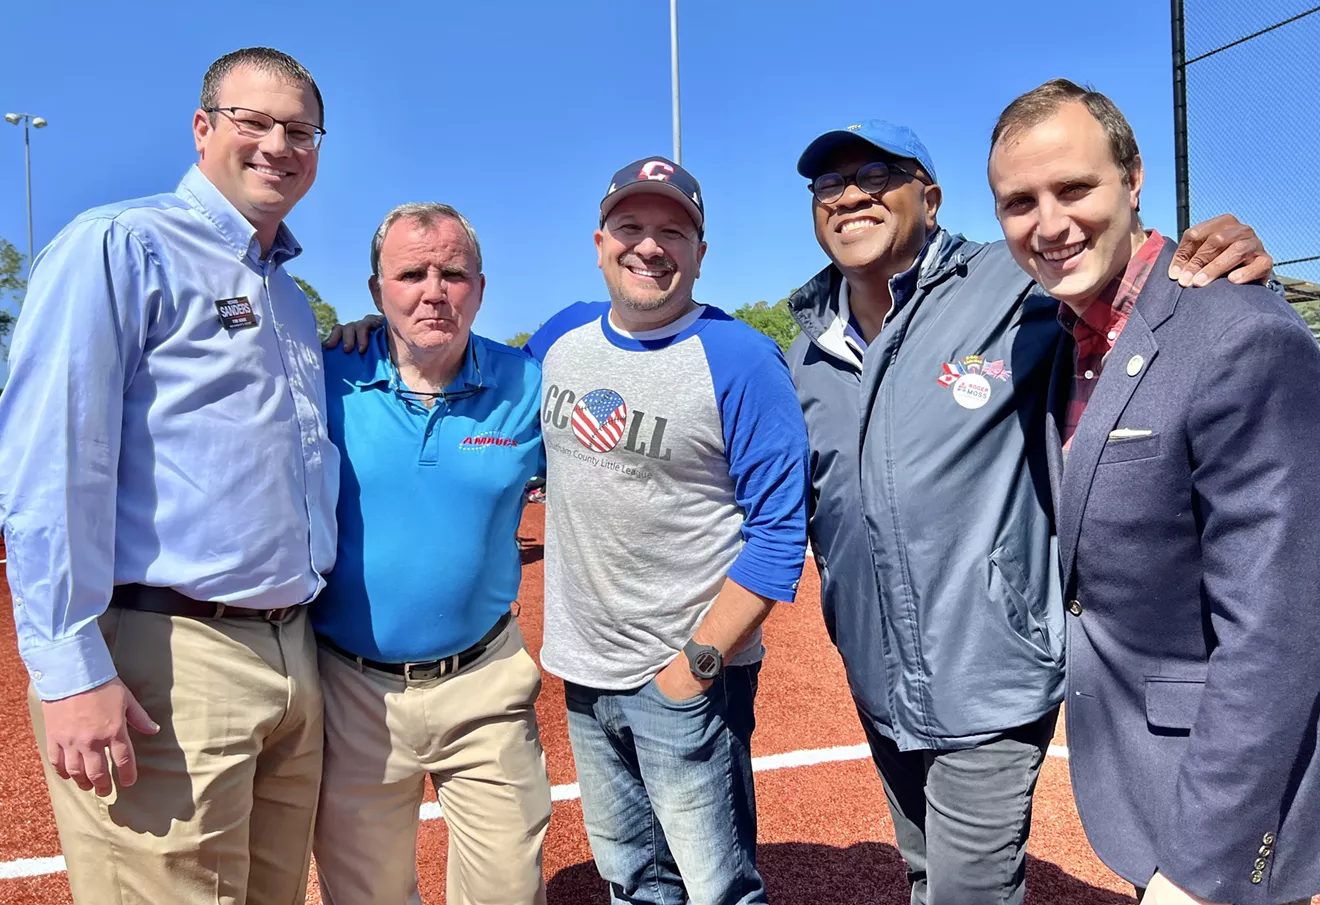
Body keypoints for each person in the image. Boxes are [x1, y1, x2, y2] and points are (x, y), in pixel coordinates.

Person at [785, 118, 1272, 903]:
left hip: (990, 671)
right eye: (829, 184)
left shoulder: (1012, 284)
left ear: (930, 197)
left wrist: (1225, 262)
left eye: (876, 174)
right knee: (923, 871)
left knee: (969, 890)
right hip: (876, 675)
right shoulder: (805, 350)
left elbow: (1142, 293)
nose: (850, 195)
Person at [326, 156, 810, 905]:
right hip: (580, 673)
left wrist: (695, 667)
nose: (649, 246)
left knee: (719, 887)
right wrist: (368, 332)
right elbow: (439, 359)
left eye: (672, 231)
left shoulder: (739, 357)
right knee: (633, 878)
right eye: (631, 226)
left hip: (680, 674)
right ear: (599, 241)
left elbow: (780, 531)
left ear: (700, 252)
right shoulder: (557, 344)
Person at [0, 47, 336, 904]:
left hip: (291, 653)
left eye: (297, 129)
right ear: (202, 128)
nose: (276, 145)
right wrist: (71, 667)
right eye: (251, 122)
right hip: (167, 655)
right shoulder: (121, 244)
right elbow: (51, 464)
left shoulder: (290, 297)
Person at [987, 78, 1320, 905]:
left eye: (1074, 188)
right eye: (1019, 202)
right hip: (1141, 773)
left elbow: (1280, 629)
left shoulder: (1239, 332)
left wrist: (1207, 867)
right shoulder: (1052, 334)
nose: (1050, 223)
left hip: (1229, 809)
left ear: (1134, 180)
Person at [311, 203, 551, 905]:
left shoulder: (529, 382)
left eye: (453, 272)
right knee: (367, 895)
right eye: (411, 273)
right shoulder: (329, 374)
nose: (433, 290)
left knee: (509, 888)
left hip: (484, 682)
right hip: (351, 689)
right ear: (376, 290)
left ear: (479, 287)